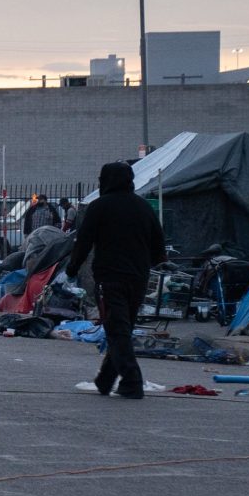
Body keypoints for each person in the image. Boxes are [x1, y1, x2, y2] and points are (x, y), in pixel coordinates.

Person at [65, 160, 166, 400]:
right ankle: (106, 379)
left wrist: (72, 268)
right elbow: (159, 246)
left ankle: (132, 381)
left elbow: (84, 243)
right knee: (122, 328)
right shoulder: (144, 207)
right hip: (138, 277)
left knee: (116, 328)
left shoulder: (99, 207)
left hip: (110, 277)